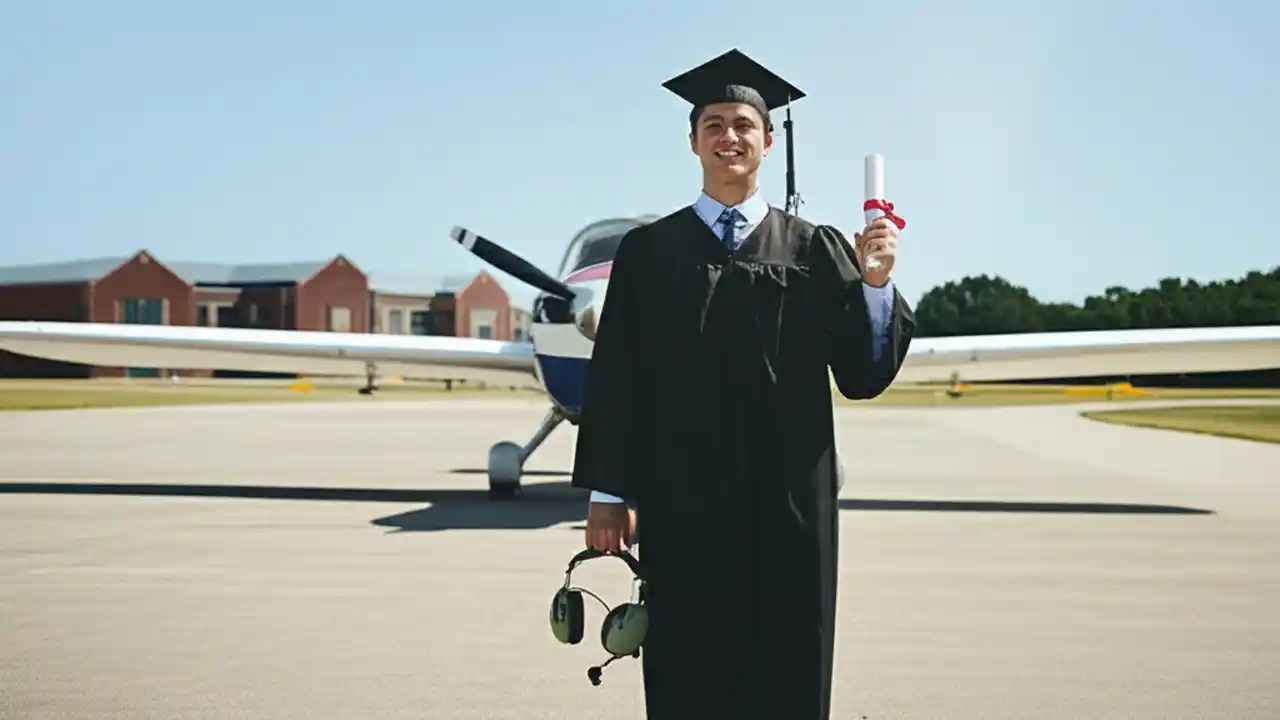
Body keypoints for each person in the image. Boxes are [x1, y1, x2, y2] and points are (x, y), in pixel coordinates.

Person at [569, 48, 915, 720]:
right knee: (688, 656)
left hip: (790, 497)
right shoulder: (649, 252)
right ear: (693, 140)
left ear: (768, 140)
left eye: (744, 125)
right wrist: (609, 493)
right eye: (715, 124)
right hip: (683, 497)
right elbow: (617, 377)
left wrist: (875, 286)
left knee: (791, 649)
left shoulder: (815, 250)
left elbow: (862, 373)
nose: (730, 136)